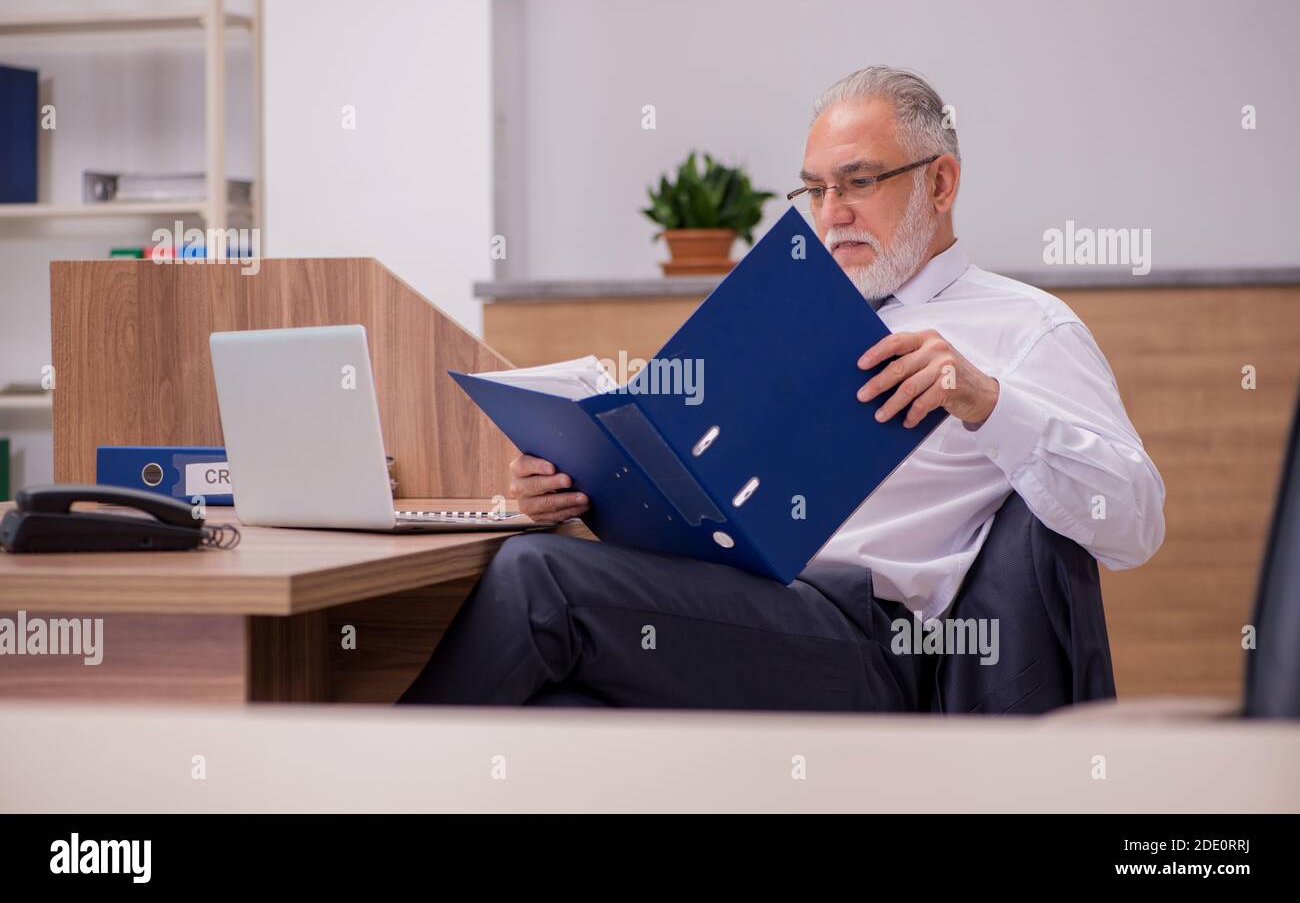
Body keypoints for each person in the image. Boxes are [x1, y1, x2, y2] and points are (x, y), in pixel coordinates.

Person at [397, 66, 1165, 711]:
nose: (832, 214)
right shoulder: (782, 311)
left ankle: (369, 778)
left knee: (537, 578)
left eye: (858, 182)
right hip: (732, 600)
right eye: (815, 190)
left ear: (940, 183)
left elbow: (1134, 521)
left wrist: (989, 401)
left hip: (864, 641)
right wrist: (574, 487)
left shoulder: (1025, 326)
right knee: (560, 703)